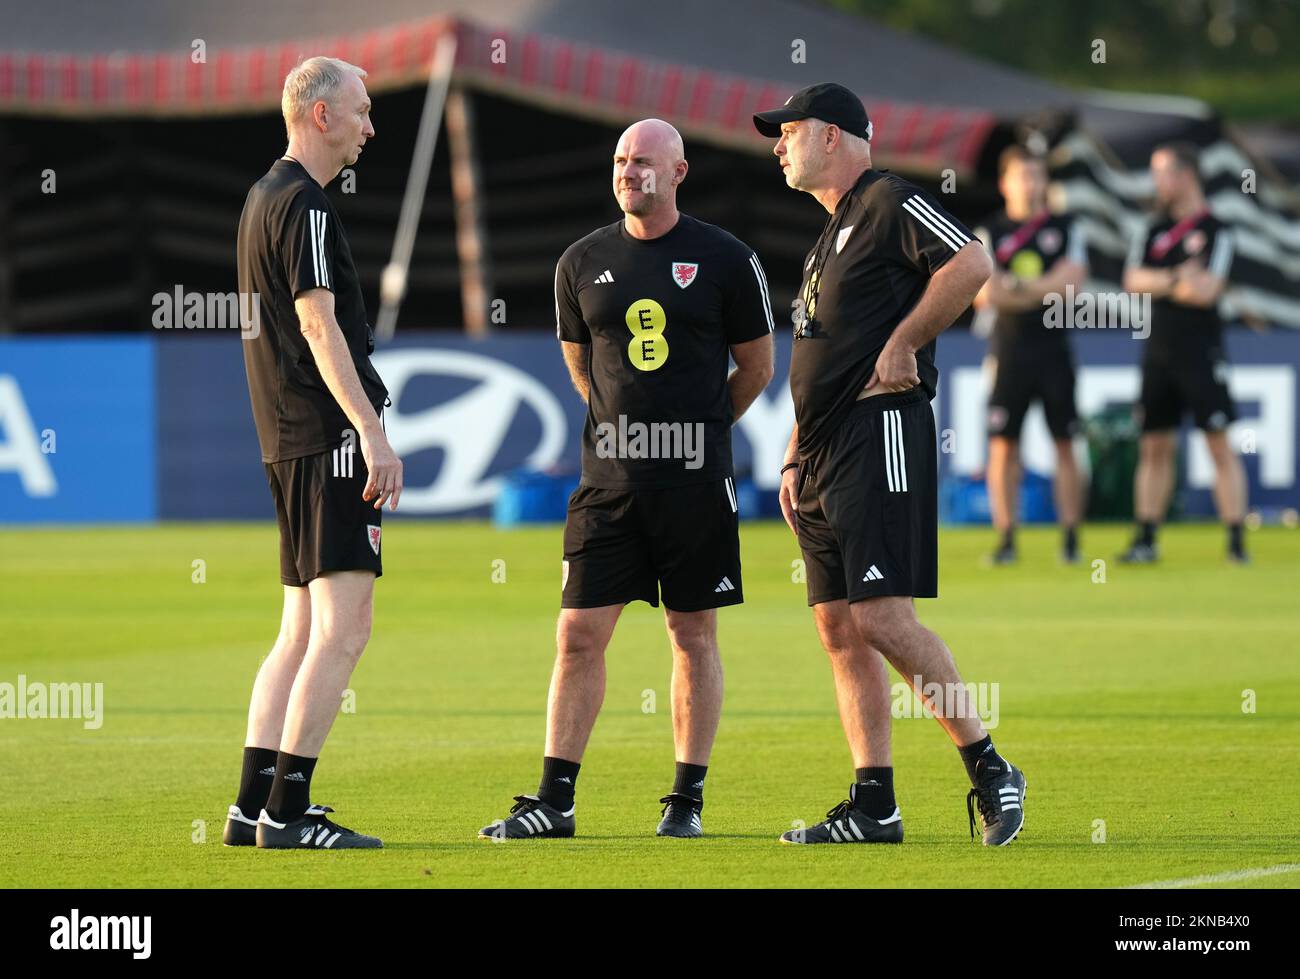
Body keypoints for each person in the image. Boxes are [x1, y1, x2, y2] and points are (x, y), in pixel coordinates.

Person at [478, 119, 775, 840]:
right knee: (578, 633)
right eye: (619, 160)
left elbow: (758, 367)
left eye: (643, 161)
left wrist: (696, 434)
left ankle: (686, 799)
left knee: (691, 634)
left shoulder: (728, 259)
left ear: (678, 171)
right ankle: (555, 799)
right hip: (607, 485)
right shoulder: (580, 262)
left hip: (696, 485)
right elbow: (581, 363)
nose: (628, 171)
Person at [754, 83, 1026, 846]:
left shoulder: (887, 199)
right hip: (820, 454)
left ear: (834, 136)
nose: (779, 145)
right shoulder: (827, 236)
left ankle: (991, 766)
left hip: (881, 436)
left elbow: (972, 261)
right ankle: (875, 802)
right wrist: (791, 450)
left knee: (881, 615)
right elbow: (822, 356)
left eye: (790, 131)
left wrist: (906, 342)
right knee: (839, 627)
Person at [225, 56, 401, 850]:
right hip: (324, 437)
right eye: (361, 111)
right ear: (321, 115)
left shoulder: (262, 197)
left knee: (297, 629)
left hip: (284, 439)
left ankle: (247, 804)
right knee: (344, 628)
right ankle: (288, 812)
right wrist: (367, 430)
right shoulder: (308, 205)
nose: (370, 126)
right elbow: (318, 324)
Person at [1120, 142, 1245, 564]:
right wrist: (1177, 277)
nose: (1156, 183)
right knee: (1155, 445)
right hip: (1159, 352)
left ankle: (1235, 541)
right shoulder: (1152, 229)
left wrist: (1166, 282)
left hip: (1202, 351)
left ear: (1185, 175)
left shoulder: (1216, 230)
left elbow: (1207, 290)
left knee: (1217, 444)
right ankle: (1146, 538)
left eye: (1162, 173)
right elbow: (1133, 280)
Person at [973, 146, 1088, 565]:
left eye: (1037, 175)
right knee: (1004, 445)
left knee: (1065, 441)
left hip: (1055, 350)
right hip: (1008, 352)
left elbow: (1072, 286)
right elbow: (985, 295)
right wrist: (1043, 286)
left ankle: (1071, 538)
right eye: (1022, 175)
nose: (1030, 184)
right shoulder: (989, 231)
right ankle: (1006, 539)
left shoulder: (1065, 227)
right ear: (1005, 183)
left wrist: (1016, 288)